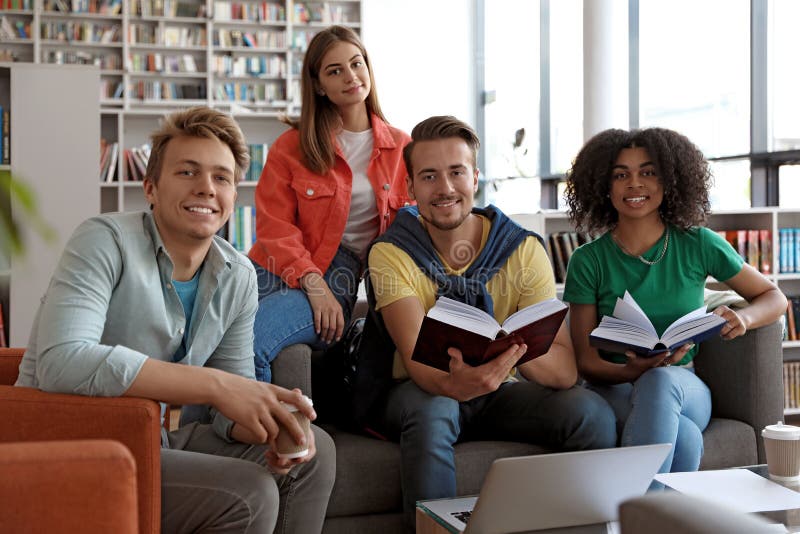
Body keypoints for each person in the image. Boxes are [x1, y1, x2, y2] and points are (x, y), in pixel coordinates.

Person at [15, 107, 336, 533]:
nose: (206, 188)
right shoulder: (103, 240)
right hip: (65, 442)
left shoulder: (238, 276)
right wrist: (217, 387)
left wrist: (268, 426)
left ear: (232, 198)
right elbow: (62, 362)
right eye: (188, 172)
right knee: (250, 491)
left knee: (315, 455)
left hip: (149, 440)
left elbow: (226, 414)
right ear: (150, 187)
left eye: (221, 178)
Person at [367, 115, 617, 530]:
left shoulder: (522, 249)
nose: (445, 188)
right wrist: (456, 384)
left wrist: (518, 353)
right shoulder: (391, 253)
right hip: (422, 389)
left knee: (589, 413)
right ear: (410, 187)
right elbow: (418, 359)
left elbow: (565, 370)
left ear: (475, 177)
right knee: (434, 413)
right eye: (429, 176)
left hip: (505, 390)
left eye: (456, 172)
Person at [563, 127, 787, 474]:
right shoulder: (588, 260)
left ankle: (634, 520)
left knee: (660, 381)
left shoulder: (699, 243)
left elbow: (773, 297)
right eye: (620, 175)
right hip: (614, 388)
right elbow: (586, 361)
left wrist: (745, 319)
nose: (634, 184)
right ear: (603, 187)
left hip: (683, 384)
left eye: (648, 172)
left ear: (669, 181)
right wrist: (629, 370)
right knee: (683, 438)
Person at [248, 25, 412, 383]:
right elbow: (274, 226)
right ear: (319, 85)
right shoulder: (291, 147)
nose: (350, 76)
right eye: (334, 70)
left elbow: (413, 231)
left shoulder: (403, 148)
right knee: (217, 341)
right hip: (271, 270)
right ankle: (190, 438)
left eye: (356, 64)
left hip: (338, 275)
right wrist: (311, 283)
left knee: (251, 339)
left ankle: (256, 435)